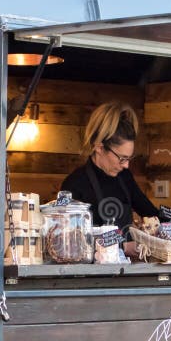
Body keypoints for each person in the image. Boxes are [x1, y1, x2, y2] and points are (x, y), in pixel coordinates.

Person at [61, 102, 160, 257]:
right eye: (122, 158)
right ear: (99, 148)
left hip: (125, 267)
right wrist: (123, 246)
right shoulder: (74, 184)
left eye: (129, 158)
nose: (126, 165)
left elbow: (150, 212)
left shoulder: (124, 177)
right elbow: (71, 240)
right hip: (91, 270)